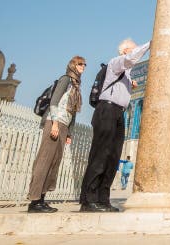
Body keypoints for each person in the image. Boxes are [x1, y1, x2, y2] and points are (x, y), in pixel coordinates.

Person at [80, 38, 149, 212]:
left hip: (118, 113)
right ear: (125, 51)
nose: (134, 53)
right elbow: (131, 59)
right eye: (132, 50)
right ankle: (89, 199)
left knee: (112, 157)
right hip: (107, 110)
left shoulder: (126, 75)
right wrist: (150, 44)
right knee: (100, 154)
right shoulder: (116, 63)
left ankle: (103, 199)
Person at [27, 56, 85, 213]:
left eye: (84, 64)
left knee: (53, 163)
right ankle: (34, 201)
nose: (83, 66)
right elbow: (54, 102)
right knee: (44, 160)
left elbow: (73, 111)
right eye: (80, 64)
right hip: (54, 123)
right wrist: (54, 124)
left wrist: (69, 133)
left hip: (64, 126)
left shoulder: (76, 86)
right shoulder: (66, 80)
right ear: (73, 65)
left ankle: (42, 199)